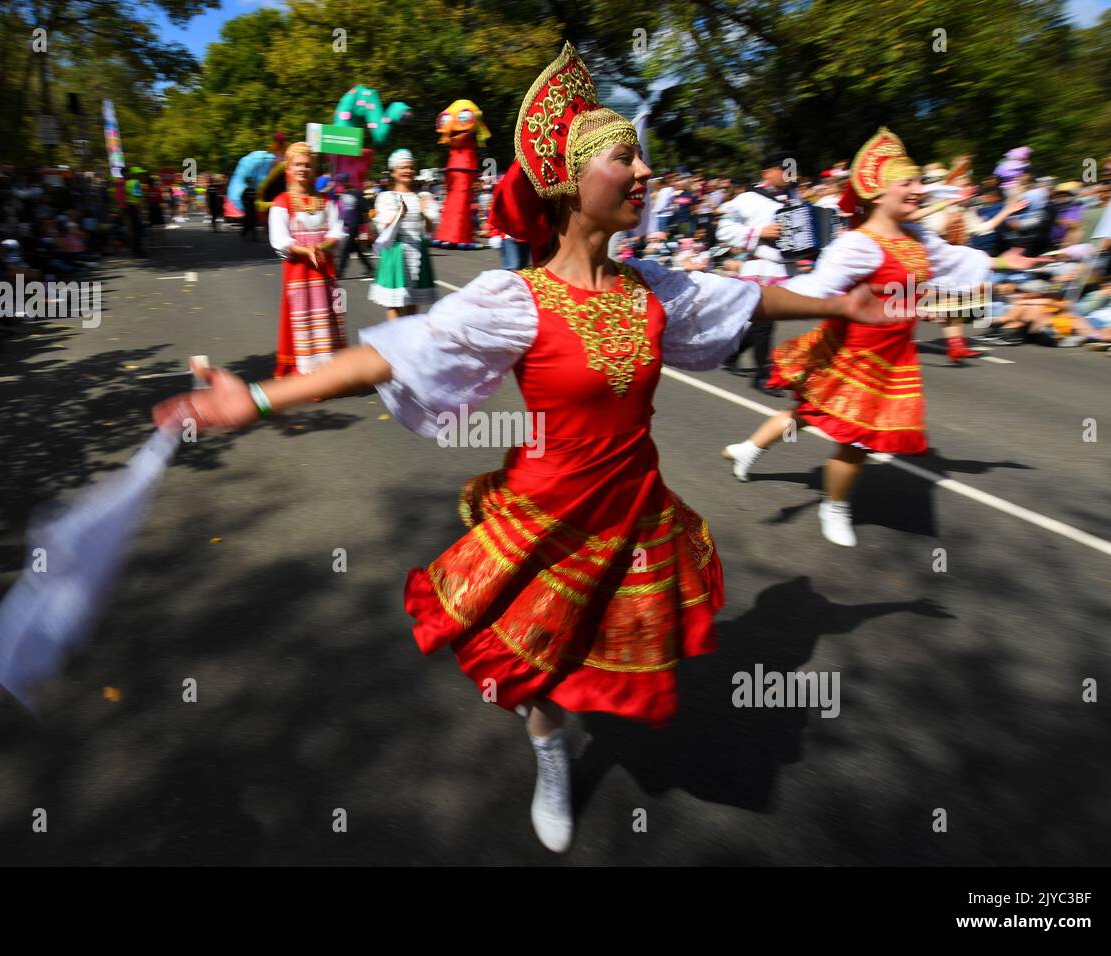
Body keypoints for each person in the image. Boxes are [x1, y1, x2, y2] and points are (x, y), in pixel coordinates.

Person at [152, 42, 894, 853]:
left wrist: (844, 310)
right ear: (571, 186)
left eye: (642, 159)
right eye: (624, 159)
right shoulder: (517, 300)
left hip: (634, 511)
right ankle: (547, 754)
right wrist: (255, 397)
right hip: (547, 511)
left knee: (602, 652)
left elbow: (745, 299)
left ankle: (558, 735)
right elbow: (391, 356)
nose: (644, 173)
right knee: (540, 667)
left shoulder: (655, 288)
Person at [720, 128, 1040, 547]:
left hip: (894, 356)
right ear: (878, 194)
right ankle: (834, 506)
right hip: (853, 352)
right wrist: (736, 300)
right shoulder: (857, 245)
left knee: (810, 413)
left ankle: (749, 449)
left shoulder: (920, 238)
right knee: (854, 438)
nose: (919, 189)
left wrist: (1003, 260)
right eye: (906, 183)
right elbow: (813, 290)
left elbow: (956, 261)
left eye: (918, 182)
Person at [715, 152, 822, 395]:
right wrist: (759, 232)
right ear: (767, 173)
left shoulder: (796, 199)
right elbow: (723, 230)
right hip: (759, 268)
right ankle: (763, 376)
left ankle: (732, 355)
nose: (790, 174)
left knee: (764, 321)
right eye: (784, 169)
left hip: (785, 269)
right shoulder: (747, 199)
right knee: (764, 324)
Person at [267, 142, 347, 378]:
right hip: (298, 274)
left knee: (329, 318)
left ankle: (330, 374)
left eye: (308, 165)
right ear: (288, 169)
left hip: (324, 272)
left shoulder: (326, 200)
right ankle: (309, 375)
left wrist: (321, 246)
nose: (303, 169)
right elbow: (279, 240)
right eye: (298, 164)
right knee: (305, 320)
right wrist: (305, 250)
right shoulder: (282, 202)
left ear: (314, 169)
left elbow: (338, 231)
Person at [368, 150, 437, 319]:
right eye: (403, 168)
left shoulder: (422, 196)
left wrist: (423, 214)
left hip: (418, 251)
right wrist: (400, 213)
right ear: (393, 172)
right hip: (396, 251)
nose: (408, 171)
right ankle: (396, 338)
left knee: (414, 300)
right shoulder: (386, 197)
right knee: (396, 303)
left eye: (410, 167)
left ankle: (408, 337)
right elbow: (383, 228)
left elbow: (430, 229)